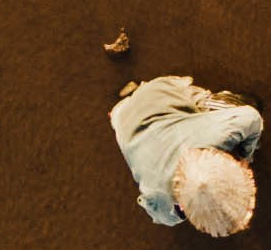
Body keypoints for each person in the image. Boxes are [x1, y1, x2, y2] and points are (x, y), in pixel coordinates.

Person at [110, 74, 263, 237]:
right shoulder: (162, 204)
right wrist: (246, 154)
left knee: (246, 106)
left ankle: (124, 107)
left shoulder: (163, 204)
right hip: (150, 105)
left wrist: (245, 156)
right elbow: (252, 119)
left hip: (150, 102)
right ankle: (123, 107)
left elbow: (252, 117)